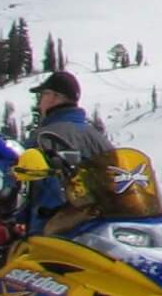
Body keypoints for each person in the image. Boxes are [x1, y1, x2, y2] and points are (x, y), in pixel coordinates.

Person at [23, 69, 111, 234]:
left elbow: (22, 186)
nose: (38, 104)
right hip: (99, 228)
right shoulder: (97, 137)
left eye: (42, 95)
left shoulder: (41, 138)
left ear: (55, 97)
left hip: (53, 230)